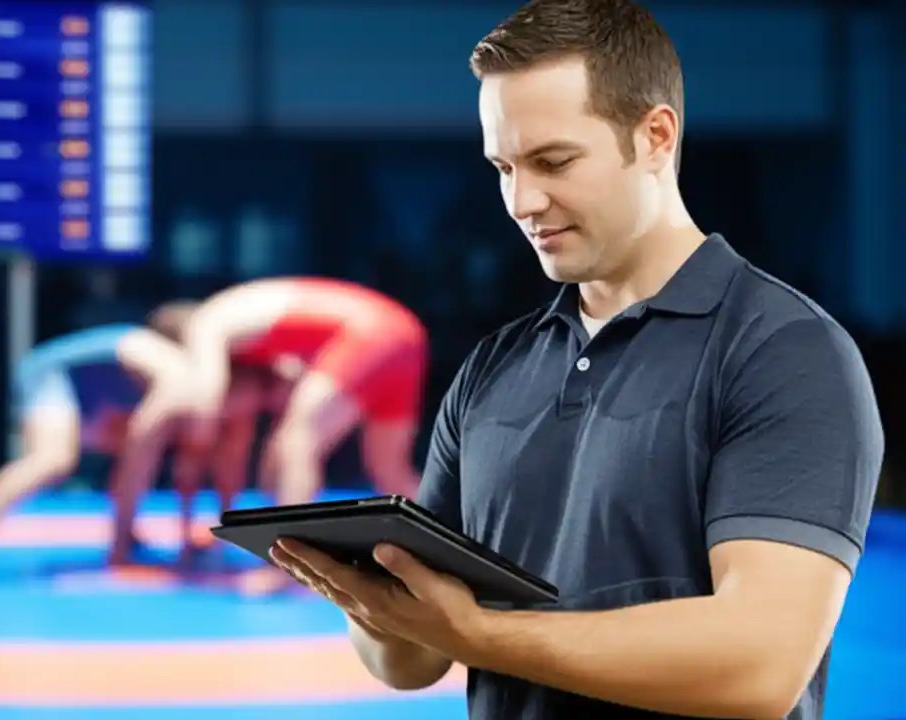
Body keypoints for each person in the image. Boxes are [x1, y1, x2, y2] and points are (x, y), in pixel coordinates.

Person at [269, 1, 884, 719]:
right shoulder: (493, 370)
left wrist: (485, 636)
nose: (523, 200)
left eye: (553, 161)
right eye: (503, 166)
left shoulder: (785, 352)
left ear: (655, 136)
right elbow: (410, 661)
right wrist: (368, 600)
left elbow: (760, 666)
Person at [148, 277, 430, 592]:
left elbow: (206, 397)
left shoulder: (204, 324)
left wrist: (188, 442)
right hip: (403, 332)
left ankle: (288, 568)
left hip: (369, 334)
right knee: (389, 468)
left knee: (299, 440)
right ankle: (452, 555)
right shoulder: (245, 321)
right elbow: (293, 374)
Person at [0, 323, 258, 581]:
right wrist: (118, 555)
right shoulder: (178, 374)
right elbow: (143, 459)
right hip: (51, 375)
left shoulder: (178, 374)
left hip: (87, 391)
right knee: (53, 460)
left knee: (137, 446)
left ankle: (127, 534)